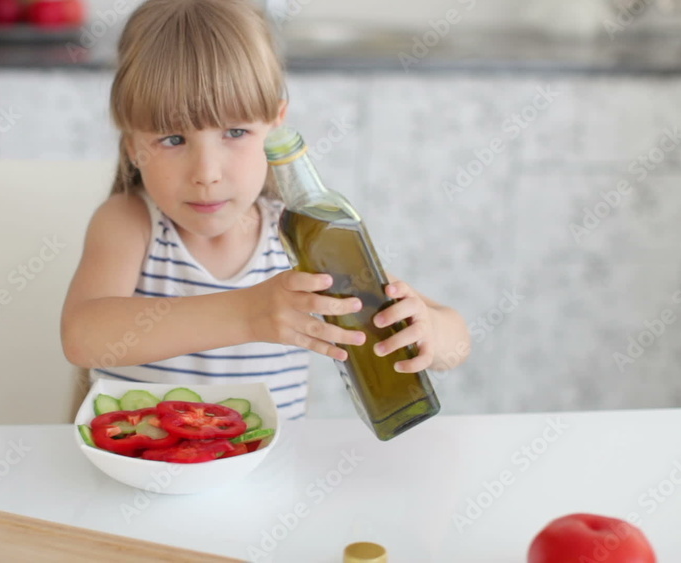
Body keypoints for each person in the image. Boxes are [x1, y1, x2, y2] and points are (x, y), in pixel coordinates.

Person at [61, 0, 470, 420]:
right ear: (132, 144)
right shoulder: (130, 223)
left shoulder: (302, 234)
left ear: (275, 125)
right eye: (172, 139)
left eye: (235, 132)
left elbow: (457, 340)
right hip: (144, 474)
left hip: (272, 477)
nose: (206, 173)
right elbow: (83, 336)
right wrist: (247, 313)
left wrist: (429, 332)